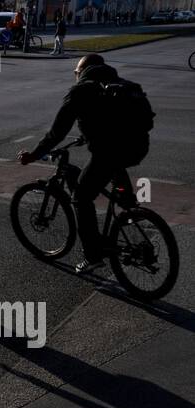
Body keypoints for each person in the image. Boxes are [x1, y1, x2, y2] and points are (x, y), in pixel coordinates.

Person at [17, 54, 151, 273]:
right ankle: (128, 205)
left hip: (109, 151)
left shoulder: (81, 91)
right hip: (137, 148)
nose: (75, 76)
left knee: (80, 197)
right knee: (111, 166)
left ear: (82, 72)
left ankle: (92, 255)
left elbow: (56, 132)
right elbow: (110, 120)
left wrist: (34, 154)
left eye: (76, 72)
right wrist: (86, 136)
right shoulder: (123, 85)